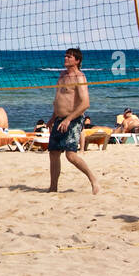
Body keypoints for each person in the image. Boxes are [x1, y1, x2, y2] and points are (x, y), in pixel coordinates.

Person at [47, 48, 99, 194]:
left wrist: (69, 119)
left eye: (69, 56)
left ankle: (93, 180)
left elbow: (85, 103)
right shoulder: (62, 75)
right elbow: (60, 99)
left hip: (73, 119)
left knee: (70, 155)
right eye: (65, 56)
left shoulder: (79, 77)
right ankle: (53, 188)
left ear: (77, 60)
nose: (65, 58)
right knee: (54, 153)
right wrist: (53, 117)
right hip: (59, 119)